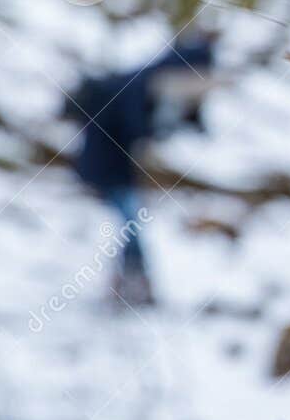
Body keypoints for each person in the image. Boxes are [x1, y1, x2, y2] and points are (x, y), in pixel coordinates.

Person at [67, 34, 216, 306]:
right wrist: (164, 124)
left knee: (130, 224)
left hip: (116, 166)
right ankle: (134, 286)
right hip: (105, 165)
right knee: (131, 224)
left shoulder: (150, 80)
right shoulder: (142, 85)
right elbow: (137, 128)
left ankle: (127, 285)